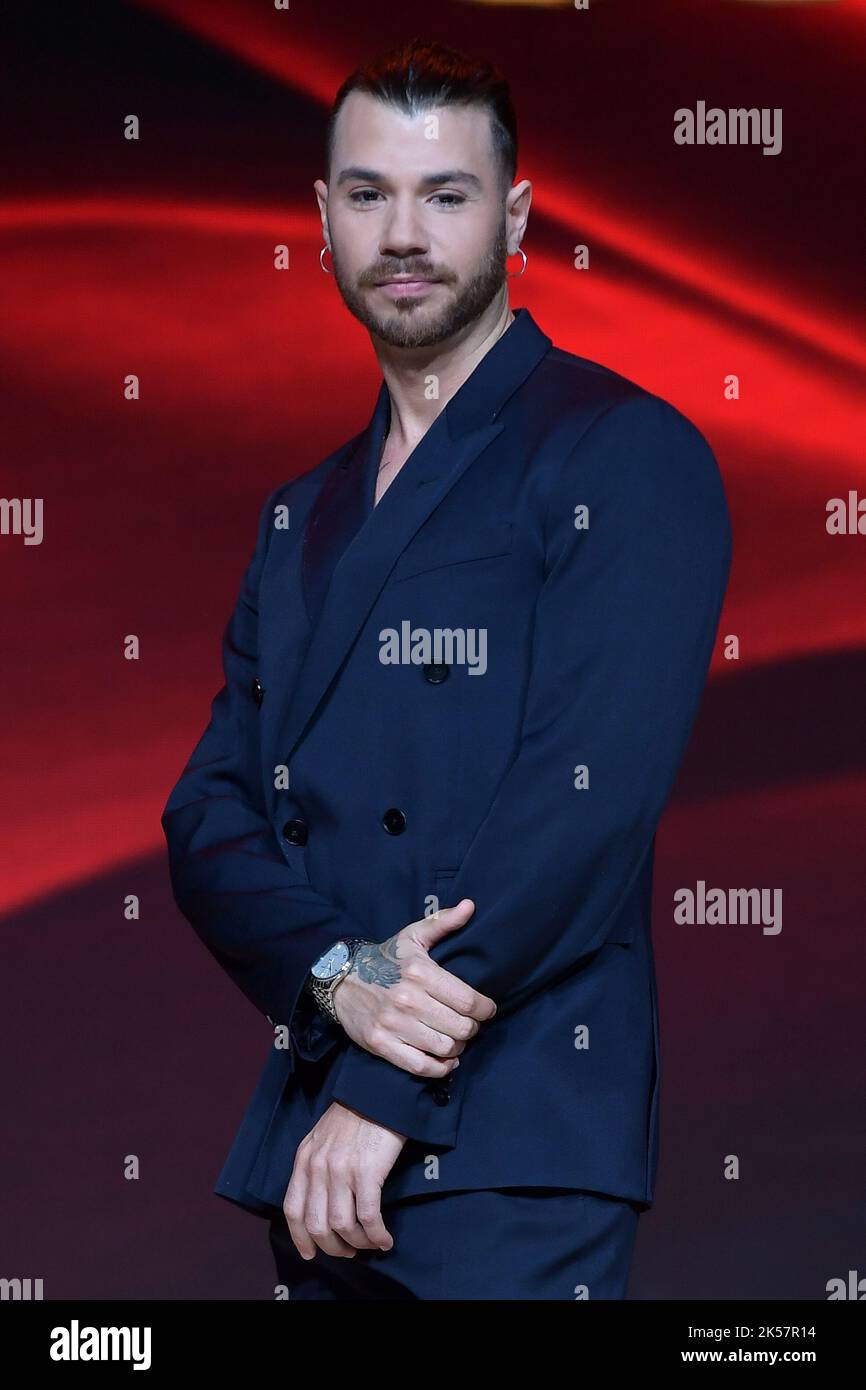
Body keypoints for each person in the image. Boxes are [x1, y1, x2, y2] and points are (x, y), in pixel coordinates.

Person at [161, 37, 732, 1300]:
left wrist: (382, 1083)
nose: (403, 233)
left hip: (513, 1135)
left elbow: (581, 806)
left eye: (445, 195)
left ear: (515, 217)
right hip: (317, 1155)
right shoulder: (300, 512)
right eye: (368, 195)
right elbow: (207, 814)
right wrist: (339, 980)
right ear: (320, 221)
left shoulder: (621, 454)